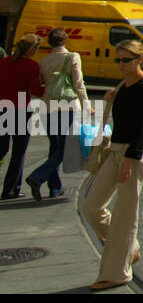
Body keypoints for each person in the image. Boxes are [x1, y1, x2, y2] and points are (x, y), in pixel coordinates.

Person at [82, 39, 143, 289]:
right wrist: (110, 101)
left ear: (140, 60)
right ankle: (131, 247)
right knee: (92, 207)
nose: (120, 64)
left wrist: (130, 159)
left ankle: (116, 273)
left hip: (134, 153)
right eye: (118, 60)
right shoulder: (124, 86)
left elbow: (141, 128)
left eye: (125, 60)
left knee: (125, 216)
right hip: (115, 150)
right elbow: (119, 122)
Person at [28, 28, 92, 201]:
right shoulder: (73, 57)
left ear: (50, 43)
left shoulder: (43, 62)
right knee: (64, 149)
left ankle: (55, 188)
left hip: (48, 107)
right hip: (68, 107)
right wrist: (87, 105)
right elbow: (78, 84)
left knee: (55, 147)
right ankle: (37, 177)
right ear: (65, 41)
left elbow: (37, 88)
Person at [0, 34, 44, 200]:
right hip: (20, 111)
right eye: (37, 48)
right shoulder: (31, 66)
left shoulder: (3, 62)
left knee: (2, 148)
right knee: (19, 152)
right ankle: (10, 190)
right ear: (32, 49)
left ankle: (13, 189)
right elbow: (35, 91)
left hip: (2, 108)